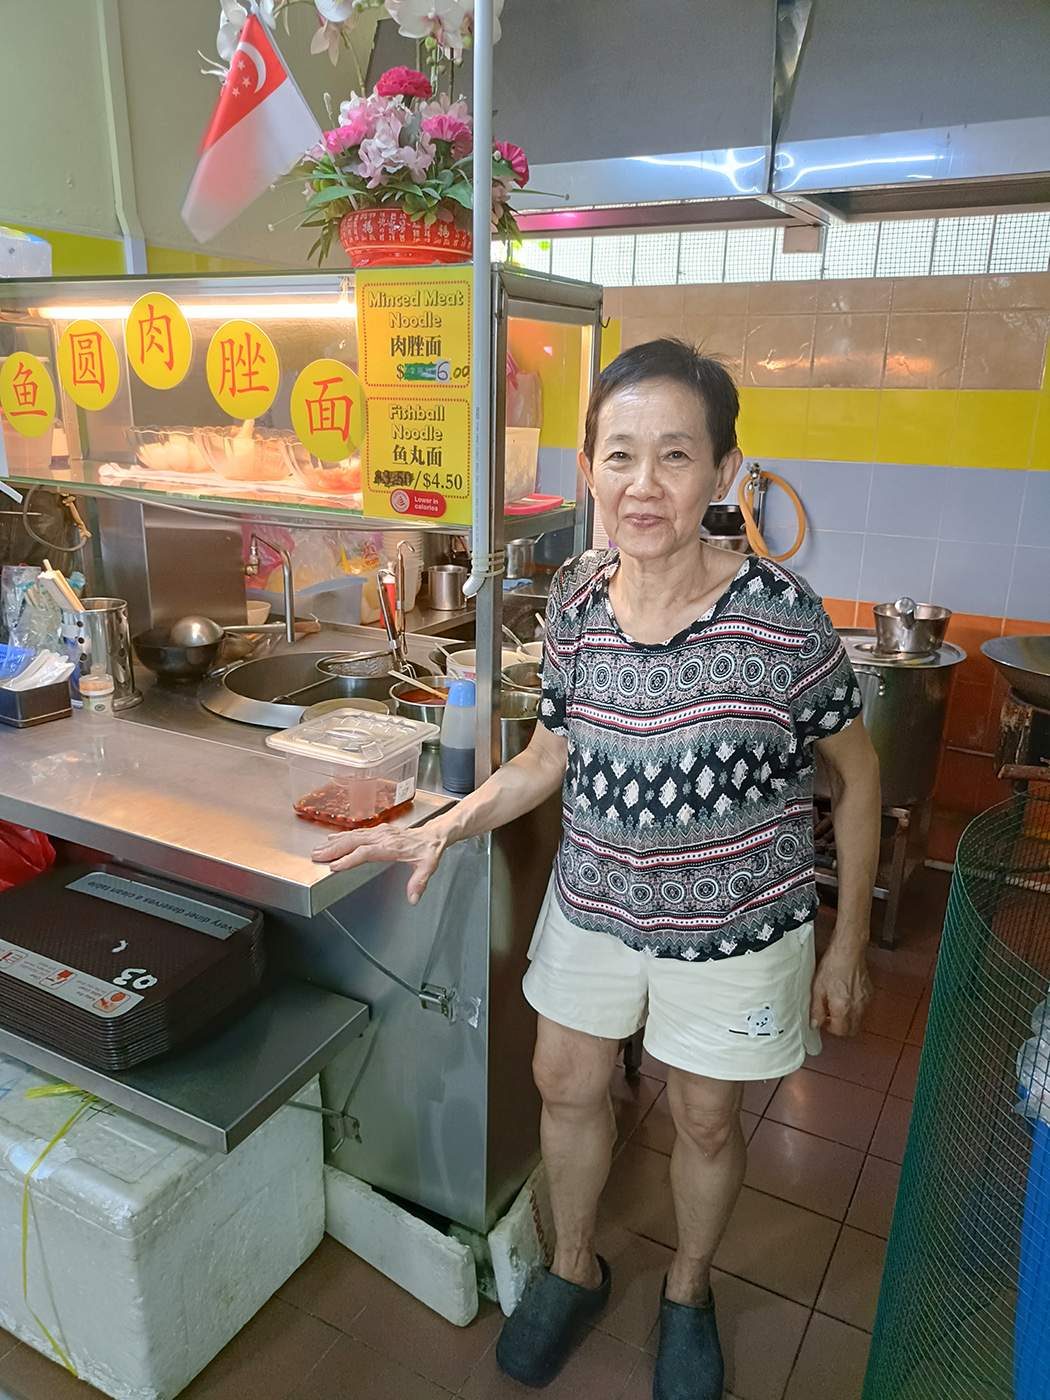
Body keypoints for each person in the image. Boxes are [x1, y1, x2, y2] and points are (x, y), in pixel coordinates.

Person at [312, 339, 882, 1400]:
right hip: (593, 909)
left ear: (723, 471)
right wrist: (449, 818)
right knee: (566, 1083)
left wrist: (847, 945)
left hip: (737, 927)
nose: (644, 483)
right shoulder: (574, 600)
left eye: (675, 454)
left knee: (706, 1116)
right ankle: (574, 1267)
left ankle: (690, 1290)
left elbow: (856, 778)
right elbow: (547, 755)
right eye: (619, 454)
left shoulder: (783, 617)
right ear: (588, 469)